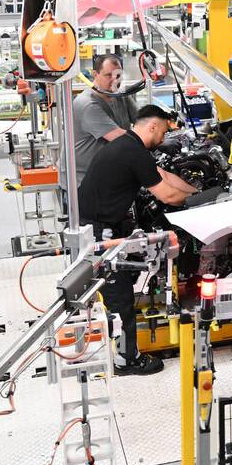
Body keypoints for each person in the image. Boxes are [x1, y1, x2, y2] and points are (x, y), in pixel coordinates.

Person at [78, 105, 198, 376]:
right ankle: (126, 360)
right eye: (165, 130)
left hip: (103, 223)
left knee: (123, 281)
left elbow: (163, 176)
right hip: (100, 230)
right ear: (153, 126)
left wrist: (198, 190)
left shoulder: (128, 146)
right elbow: (167, 195)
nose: (164, 137)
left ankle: (122, 346)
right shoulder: (132, 151)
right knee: (119, 296)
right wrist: (199, 203)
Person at [72, 53, 138, 184]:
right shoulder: (87, 104)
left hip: (108, 173)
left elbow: (142, 122)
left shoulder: (120, 96)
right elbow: (122, 139)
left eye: (118, 75)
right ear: (95, 75)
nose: (115, 81)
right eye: (109, 75)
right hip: (83, 180)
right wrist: (155, 140)